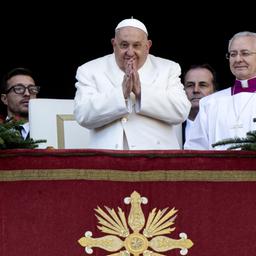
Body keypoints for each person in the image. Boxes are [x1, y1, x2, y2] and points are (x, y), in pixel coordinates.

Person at [73, 18, 191, 150]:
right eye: (124, 45)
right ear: (114, 44)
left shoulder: (168, 68)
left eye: (136, 45)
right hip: (108, 158)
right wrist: (121, 93)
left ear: (147, 46)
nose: (130, 52)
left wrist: (141, 92)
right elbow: (83, 115)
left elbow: (181, 111)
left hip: (157, 157)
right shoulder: (90, 70)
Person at [184, 31, 256, 150]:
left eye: (245, 53)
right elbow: (194, 149)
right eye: (233, 54)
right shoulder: (209, 103)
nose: (238, 59)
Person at [0, 67, 40, 140]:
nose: (27, 94)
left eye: (32, 89)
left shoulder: (50, 130)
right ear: (4, 99)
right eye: (18, 88)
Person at [182, 64, 217, 144]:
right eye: (190, 85)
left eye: (203, 85)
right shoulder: (171, 127)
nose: (196, 90)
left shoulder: (223, 125)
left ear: (215, 91)